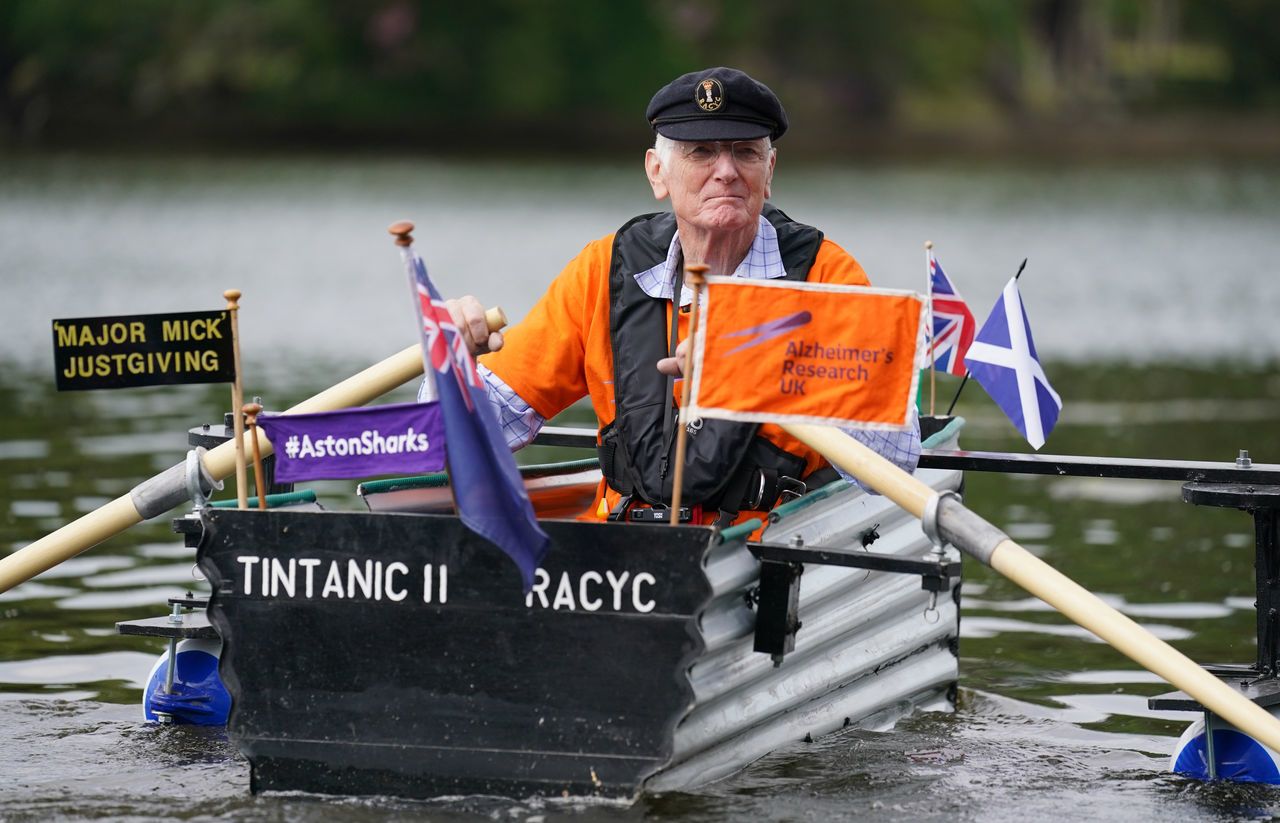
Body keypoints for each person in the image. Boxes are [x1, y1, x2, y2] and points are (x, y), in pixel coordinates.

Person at [436, 66, 920, 527]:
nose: (726, 171)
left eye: (745, 152)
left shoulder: (826, 276)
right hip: (623, 553)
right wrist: (451, 364)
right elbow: (452, 441)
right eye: (701, 152)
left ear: (768, 171)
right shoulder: (602, 270)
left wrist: (768, 369)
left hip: (762, 550)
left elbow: (898, 459)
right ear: (657, 174)